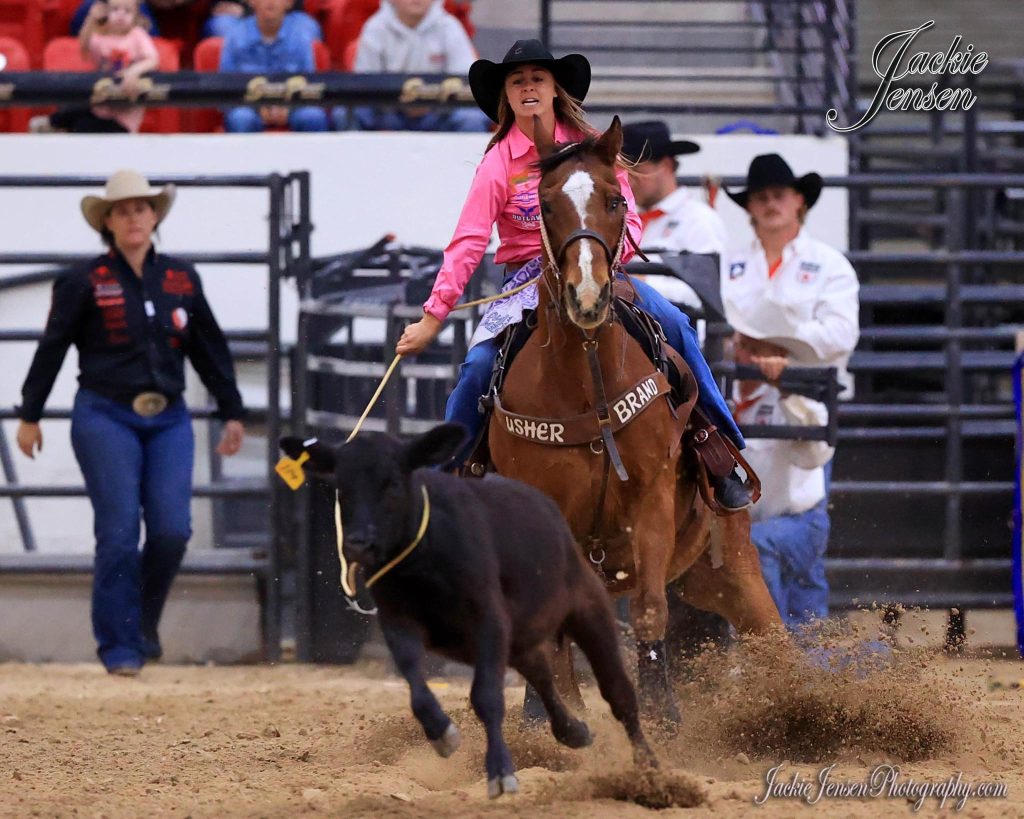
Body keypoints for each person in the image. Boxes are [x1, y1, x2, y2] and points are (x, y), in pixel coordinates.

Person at [394, 39, 750, 510]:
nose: (528, 88)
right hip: (525, 281)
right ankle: (447, 482)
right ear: (506, 95)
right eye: (517, 81)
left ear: (554, 89)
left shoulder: (594, 148)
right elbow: (469, 240)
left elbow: (629, 218)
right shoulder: (498, 163)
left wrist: (600, 255)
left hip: (599, 268)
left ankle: (718, 450)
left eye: (537, 79)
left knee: (678, 327)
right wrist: (433, 316)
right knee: (478, 367)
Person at [15, 170, 247, 676]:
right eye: (122, 211)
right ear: (108, 222)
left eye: (141, 208)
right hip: (105, 413)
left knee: (171, 531)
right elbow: (53, 346)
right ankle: (120, 645)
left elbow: (208, 347)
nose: (133, 218)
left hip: (168, 416)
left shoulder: (181, 278)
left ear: (154, 215)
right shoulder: (83, 280)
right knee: (119, 533)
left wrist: (232, 409)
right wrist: (30, 413)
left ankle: (141, 621)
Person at [723, 153, 860, 623]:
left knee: (798, 500)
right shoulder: (730, 264)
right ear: (750, 206)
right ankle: (805, 646)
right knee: (785, 517)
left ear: (798, 200)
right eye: (761, 197)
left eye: (779, 195)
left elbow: (842, 334)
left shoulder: (829, 264)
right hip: (744, 396)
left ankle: (799, 643)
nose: (770, 204)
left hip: (806, 398)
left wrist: (780, 347)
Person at [732, 335, 834, 627]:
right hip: (751, 524)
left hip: (799, 521)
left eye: (754, 350)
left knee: (754, 545)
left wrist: (787, 390)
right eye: (742, 345)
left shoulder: (795, 396)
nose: (743, 355)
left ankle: (769, 642)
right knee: (807, 622)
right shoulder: (721, 390)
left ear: (777, 354)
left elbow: (816, 455)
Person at [333, 0, 490, 132]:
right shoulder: (375, 28)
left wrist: (429, 101)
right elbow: (364, 85)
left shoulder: (450, 27)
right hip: (388, 112)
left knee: (471, 118)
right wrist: (399, 103)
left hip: (438, 112)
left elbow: (465, 82)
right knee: (344, 113)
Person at [621, 119, 728, 307]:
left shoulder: (699, 220)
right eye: (623, 173)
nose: (627, 181)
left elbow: (707, 294)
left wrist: (638, 284)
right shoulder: (624, 219)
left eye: (635, 170)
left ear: (666, 165)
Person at [33, 0, 159, 134]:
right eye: (115, 9)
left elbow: (153, 59)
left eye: (127, 11)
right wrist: (91, 20)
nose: (121, 15)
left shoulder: (137, 35)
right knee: (73, 111)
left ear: (136, 16)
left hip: (122, 117)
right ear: (107, 12)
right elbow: (85, 48)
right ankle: (50, 126)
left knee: (84, 126)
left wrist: (133, 72)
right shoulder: (102, 38)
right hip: (99, 106)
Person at [219, 0, 329, 133]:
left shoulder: (300, 35)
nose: (271, 2)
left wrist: (289, 107)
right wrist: (257, 106)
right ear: (252, 2)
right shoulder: (235, 36)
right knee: (241, 118)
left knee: (312, 116)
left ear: (289, 3)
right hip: (247, 105)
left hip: (293, 104)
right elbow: (225, 88)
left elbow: (308, 85)